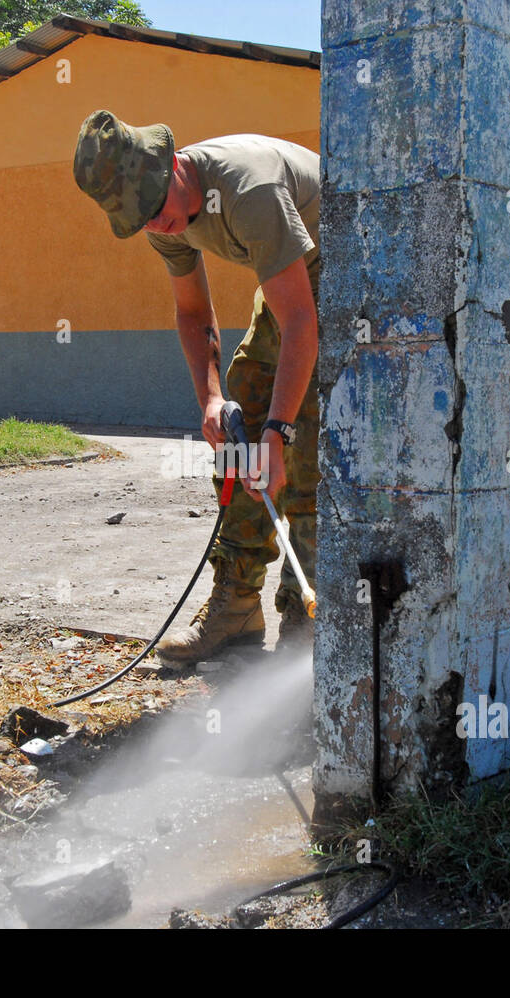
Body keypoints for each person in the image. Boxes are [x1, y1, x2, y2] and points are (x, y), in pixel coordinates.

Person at [73, 109, 320, 662]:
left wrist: (277, 435)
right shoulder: (162, 214)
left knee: (306, 434)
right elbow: (192, 313)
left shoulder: (247, 189)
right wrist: (210, 397)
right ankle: (236, 603)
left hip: (339, 275)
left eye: (157, 212)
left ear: (172, 166)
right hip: (284, 288)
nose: (156, 226)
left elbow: (303, 322)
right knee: (242, 413)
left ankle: (305, 620)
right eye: (141, 221)